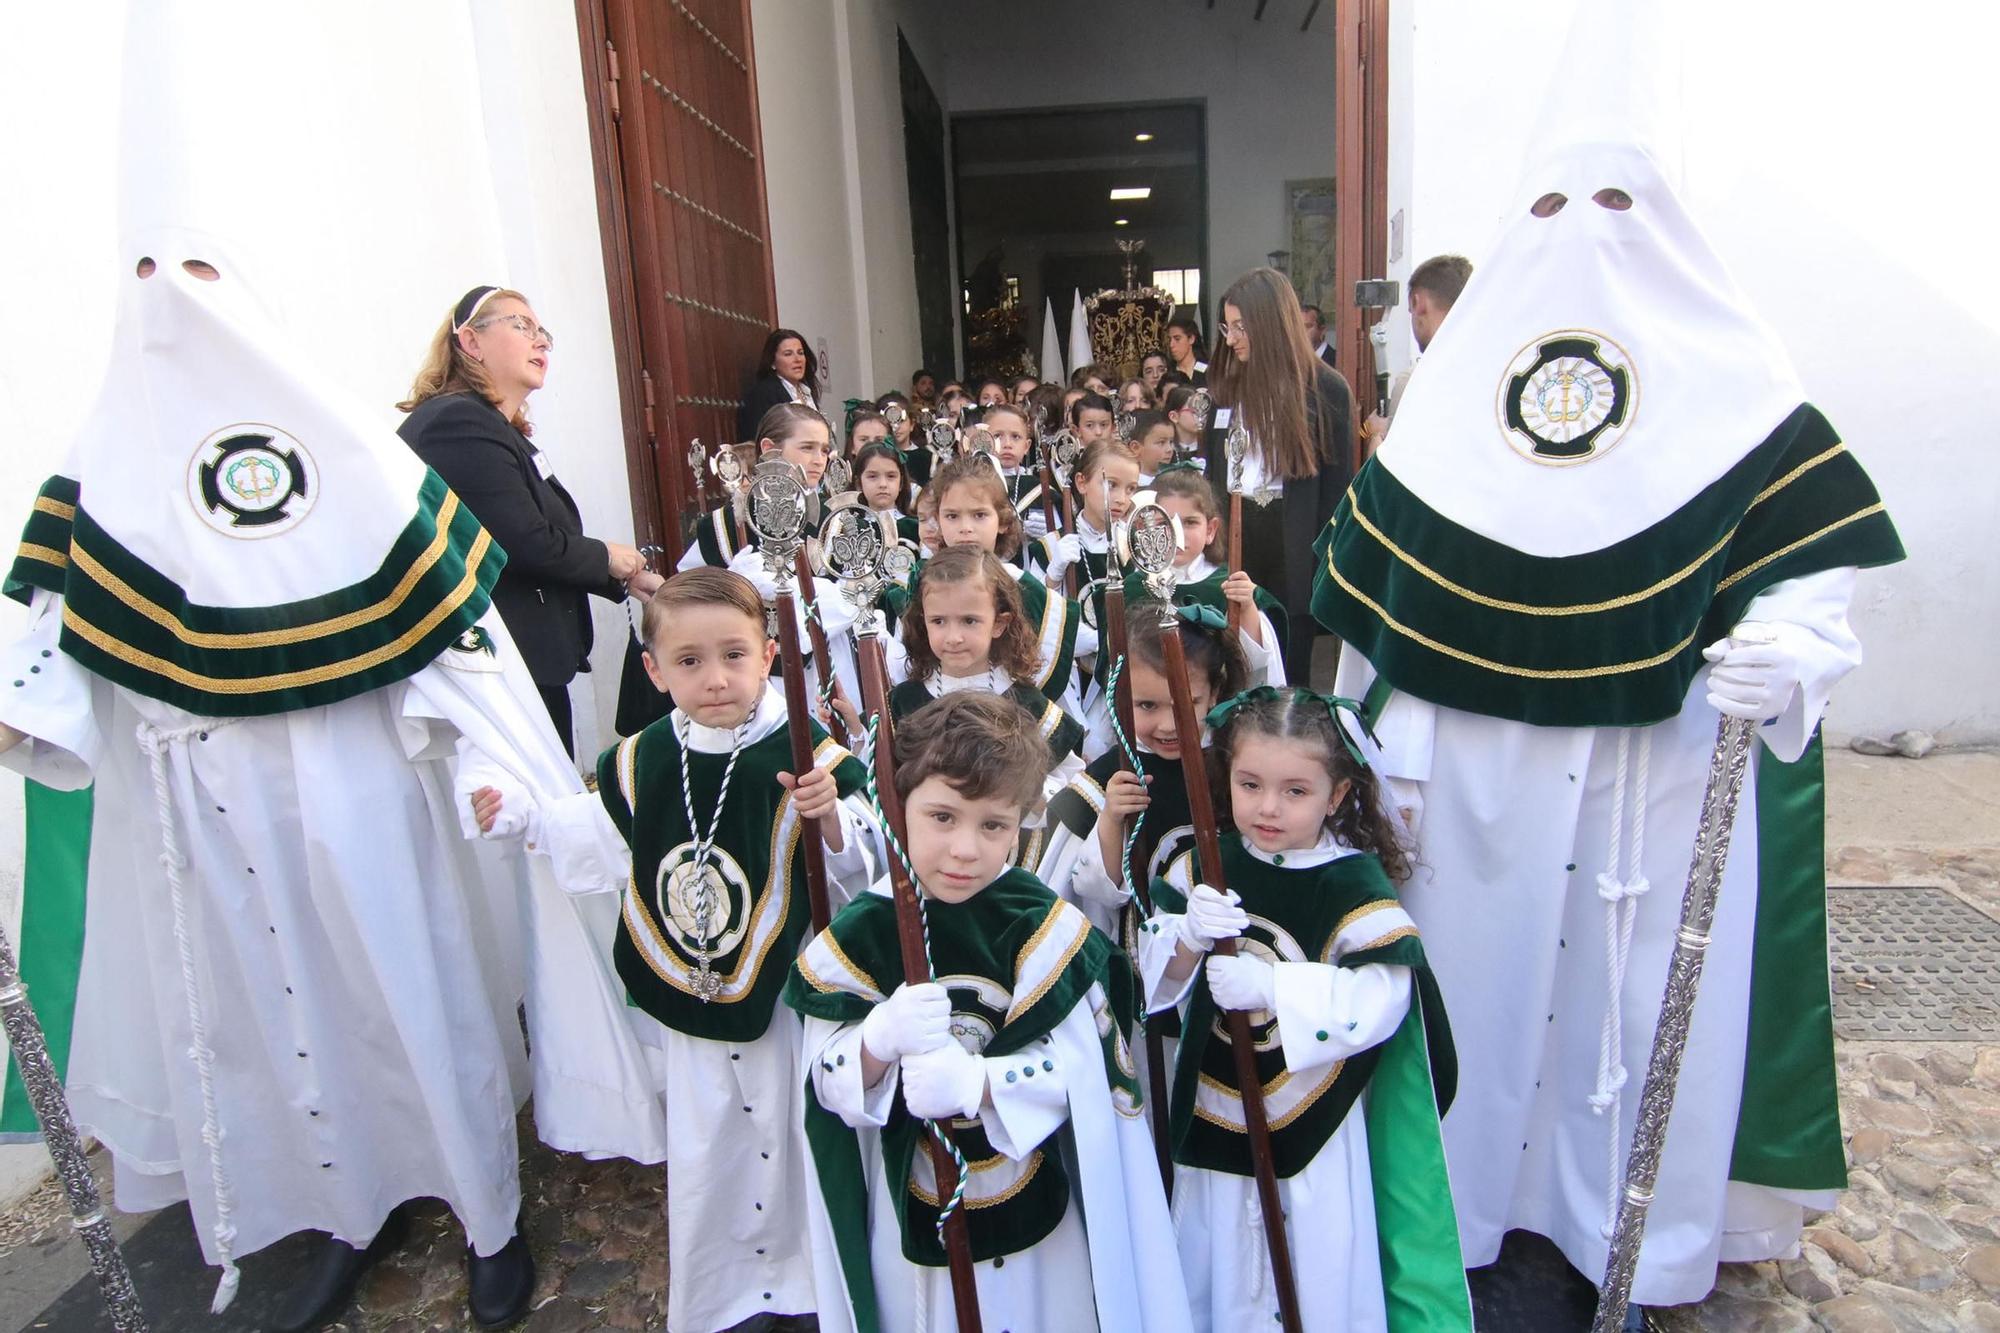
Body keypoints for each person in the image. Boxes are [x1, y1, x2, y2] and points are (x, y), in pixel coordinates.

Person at [1312, 28, 1906, 1305]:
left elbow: (1811, 563)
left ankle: (1624, 1230)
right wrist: (1396, 755)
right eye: (1549, 204)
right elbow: (1388, 610)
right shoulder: (1453, 404)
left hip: (1663, 765)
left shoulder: (1740, 387)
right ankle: (1467, 1207)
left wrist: (1786, 650)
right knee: (1478, 982)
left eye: (1619, 200)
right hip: (1478, 792)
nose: (1584, 231)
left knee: (1624, 1023)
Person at [0, 230, 571, 1330]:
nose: (174, 308)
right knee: (279, 1015)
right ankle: (344, 1210)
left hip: (353, 787)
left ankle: (488, 1220)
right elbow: (55, 627)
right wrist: (25, 712)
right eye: (148, 283)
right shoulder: (107, 462)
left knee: (406, 993)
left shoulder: (348, 446)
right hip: (206, 806)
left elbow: (447, 623)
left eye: (197, 279)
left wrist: (494, 756)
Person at [472, 568, 883, 1333]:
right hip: (694, 1003)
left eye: (734, 654)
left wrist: (830, 817)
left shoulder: (806, 749)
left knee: (793, 1136)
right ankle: (728, 1294)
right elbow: (592, 834)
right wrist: (523, 815)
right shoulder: (644, 758)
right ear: (654, 670)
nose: (716, 677)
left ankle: (805, 1286)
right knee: (713, 1143)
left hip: (786, 997)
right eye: (688, 661)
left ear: (769, 655)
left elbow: (865, 867)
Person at [784, 692, 1192, 1333]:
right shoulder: (866, 932)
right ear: (898, 804)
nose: (966, 849)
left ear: (1022, 822)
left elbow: (1093, 1082)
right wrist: (876, 1043)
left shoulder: (1043, 928)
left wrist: (981, 1084)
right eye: (942, 817)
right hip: (912, 1215)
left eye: (993, 825)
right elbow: (824, 1085)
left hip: (1040, 1222)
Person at [1139, 686, 1468, 1331]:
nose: (1267, 807)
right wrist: (1184, 937)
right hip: (1215, 1104)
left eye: (1295, 791)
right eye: (1249, 783)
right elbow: (1152, 985)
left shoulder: (1349, 882)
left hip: (1311, 1117)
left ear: (1338, 795)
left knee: (1309, 1260)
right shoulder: (1204, 865)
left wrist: (1274, 990)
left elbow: (1384, 997)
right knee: (1215, 1244)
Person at [400, 285, 652, 754]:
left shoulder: (494, 429)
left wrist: (626, 575)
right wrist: (605, 558)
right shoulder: (457, 424)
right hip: (497, 660)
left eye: (543, 333)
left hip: (522, 661)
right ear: (471, 342)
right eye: (521, 326)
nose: (540, 341)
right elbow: (517, 538)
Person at [1039, 608, 1248, 941]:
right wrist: (1111, 819)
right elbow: (1091, 891)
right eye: (1147, 705)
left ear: (1214, 695)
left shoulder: (1239, 762)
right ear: (1120, 695)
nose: (1168, 726)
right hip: (1150, 956)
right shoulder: (1111, 775)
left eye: (1185, 703)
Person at [1204, 267, 1353, 683]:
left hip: (1293, 544)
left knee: (1288, 667)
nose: (1230, 339)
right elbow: (1216, 474)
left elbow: (1336, 493)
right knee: (1232, 660)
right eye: (1227, 327)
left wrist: (1324, 570)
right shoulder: (1226, 387)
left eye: (1240, 327)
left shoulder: (1326, 389)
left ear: (1268, 324)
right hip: (1237, 534)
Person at [889, 545, 1087, 828]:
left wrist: (1029, 796)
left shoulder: (1024, 700)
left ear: (999, 623)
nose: (953, 637)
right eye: (939, 621)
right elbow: (884, 778)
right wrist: (858, 731)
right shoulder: (906, 701)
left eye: (969, 621)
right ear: (924, 621)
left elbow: (1069, 780)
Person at [1361, 253, 1473, 450]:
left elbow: (1387, 477)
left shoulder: (1413, 383)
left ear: (1417, 302)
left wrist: (1377, 435)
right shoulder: (1495, 373)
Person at [738, 327, 820, 442]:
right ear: (773, 362)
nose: (797, 359)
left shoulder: (807, 391)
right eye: (788, 354)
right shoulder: (763, 393)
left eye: (800, 353)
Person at [855, 440, 920, 545]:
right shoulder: (852, 528)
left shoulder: (916, 528)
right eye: (872, 476)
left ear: (901, 483)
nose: (883, 484)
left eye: (891, 476)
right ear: (859, 483)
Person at [1129, 407, 1176, 484]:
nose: (1170, 449)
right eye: (1161, 442)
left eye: (1171, 442)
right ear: (1135, 448)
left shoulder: (1175, 483)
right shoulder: (1129, 486)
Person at [1166, 316, 1207, 385]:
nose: (1171, 345)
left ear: (1191, 339)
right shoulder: (1168, 372)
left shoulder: (1208, 369)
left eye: (1177, 339)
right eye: (1169, 340)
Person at [1301, 302, 1336, 368]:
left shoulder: (1337, 361)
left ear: (1322, 330)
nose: (1301, 332)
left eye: (1307, 326)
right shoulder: (1291, 361)